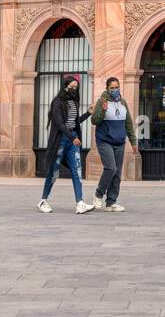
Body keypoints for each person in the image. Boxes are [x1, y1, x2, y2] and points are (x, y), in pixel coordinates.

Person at [38, 75, 94, 213]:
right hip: (61, 140)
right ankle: (43, 200)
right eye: (72, 87)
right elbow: (60, 124)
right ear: (65, 87)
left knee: (77, 170)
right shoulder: (57, 102)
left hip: (72, 139)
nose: (74, 89)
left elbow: (74, 122)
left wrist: (88, 113)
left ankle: (80, 202)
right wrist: (71, 137)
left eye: (76, 87)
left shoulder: (74, 102)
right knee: (54, 171)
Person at [90, 76, 137, 212]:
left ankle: (111, 202)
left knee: (117, 173)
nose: (115, 90)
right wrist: (103, 110)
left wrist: (133, 141)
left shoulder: (123, 102)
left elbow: (128, 123)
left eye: (117, 87)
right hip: (105, 141)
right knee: (111, 168)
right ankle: (99, 193)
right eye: (112, 88)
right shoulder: (102, 101)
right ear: (107, 88)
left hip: (120, 142)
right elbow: (94, 120)